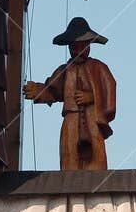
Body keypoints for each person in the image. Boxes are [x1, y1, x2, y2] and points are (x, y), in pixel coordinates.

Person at [24, 17, 116, 170]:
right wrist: (39, 90)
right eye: (74, 46)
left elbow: (110, 88)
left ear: (89, 46)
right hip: (71, 117)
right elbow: (53, 90)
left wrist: (92, 97)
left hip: (92, 116)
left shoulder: (98, 67)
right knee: (68, 152)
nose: (79, 50)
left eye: (83, 46)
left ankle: (97, 177)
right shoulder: (65, 70)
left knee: (97, 152)